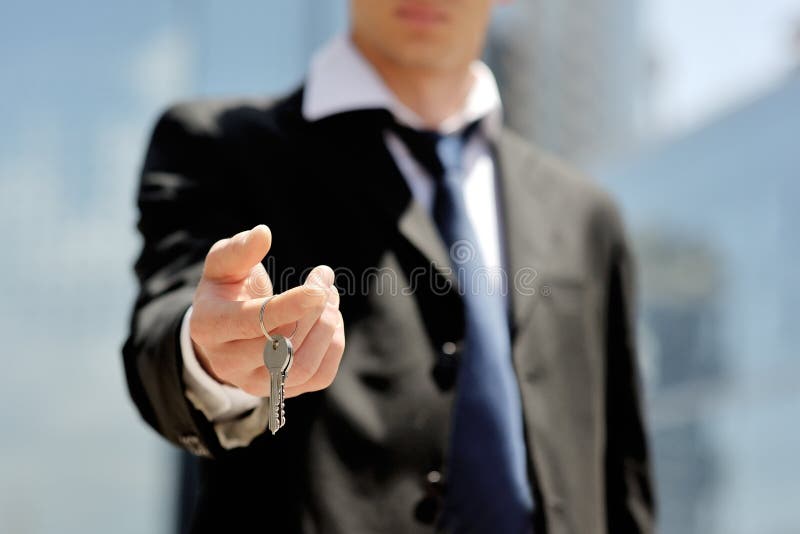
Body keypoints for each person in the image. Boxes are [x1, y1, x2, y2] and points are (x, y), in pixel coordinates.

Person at [122, 1, 655, 532]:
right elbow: (163, 332)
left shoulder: (588, 217)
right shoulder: (219, 146)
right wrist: (211, 358)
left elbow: (621, 477)